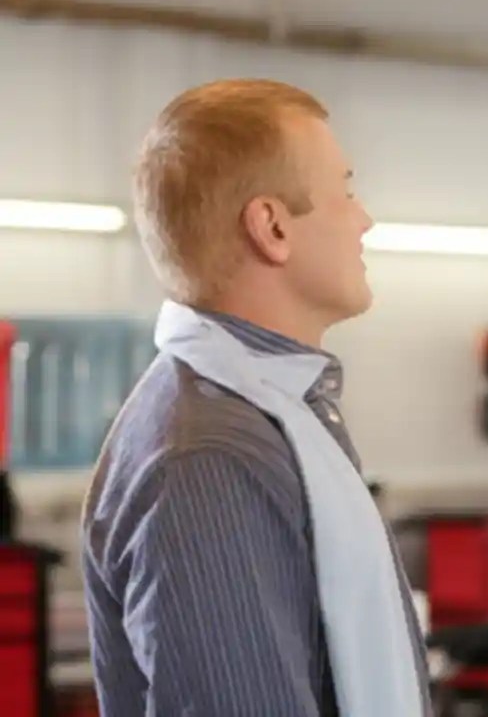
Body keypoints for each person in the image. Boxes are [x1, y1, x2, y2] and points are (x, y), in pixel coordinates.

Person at [81, 79, 431, 716]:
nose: (365, 219)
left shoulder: (262, 413)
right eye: (346, 191)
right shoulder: (209, 460)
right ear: (271, 227)